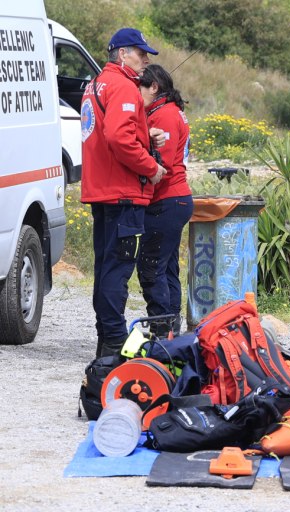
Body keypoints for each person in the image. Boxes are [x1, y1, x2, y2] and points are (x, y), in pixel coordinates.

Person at [80, 28, 167, 357]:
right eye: (140, 52)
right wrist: (151, 167)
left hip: (102, 191)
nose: (146, 59)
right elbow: (119, 139)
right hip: (123, 193)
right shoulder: (124, 87)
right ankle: (115, 341)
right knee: (117, 270)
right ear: (121, 54)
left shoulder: (97, 83)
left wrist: (146, 133)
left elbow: (111, 133)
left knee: (104, 268)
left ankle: (106, 340)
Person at [136, 64, 193, 337]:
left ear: (154, 87)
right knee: (167, 266)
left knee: (150, 267)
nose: (137, 94)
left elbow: (163, 164)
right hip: (176, 200)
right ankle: (171, 328)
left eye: (140, 87)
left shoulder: (164, 116)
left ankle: (161, 329)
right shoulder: (171, 112)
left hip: (167, 199)